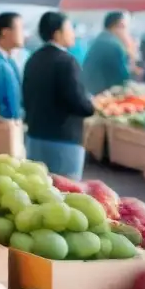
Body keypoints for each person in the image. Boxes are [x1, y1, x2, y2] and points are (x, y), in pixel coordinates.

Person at [22, 11, 94, 180]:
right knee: (65, 189)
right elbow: (77, 102)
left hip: (35, 137)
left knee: (38, 186)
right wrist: (91, 104)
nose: (73, 34)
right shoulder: (66, 61)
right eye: (70, 29)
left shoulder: (33, 59)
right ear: (57, 33)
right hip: (63, 141)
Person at [82, 11, 133, 95]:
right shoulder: (112, 45)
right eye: (125, 27)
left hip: (91, 91)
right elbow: (123, 78)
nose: (127, 32)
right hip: (102, 94)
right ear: (119, 26)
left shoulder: (101, 39)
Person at [0, 12, 24, 120]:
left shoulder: (9, 60)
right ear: (5, 32)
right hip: (0, 123)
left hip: (13, 122)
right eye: (20, 29)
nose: (24, 34)